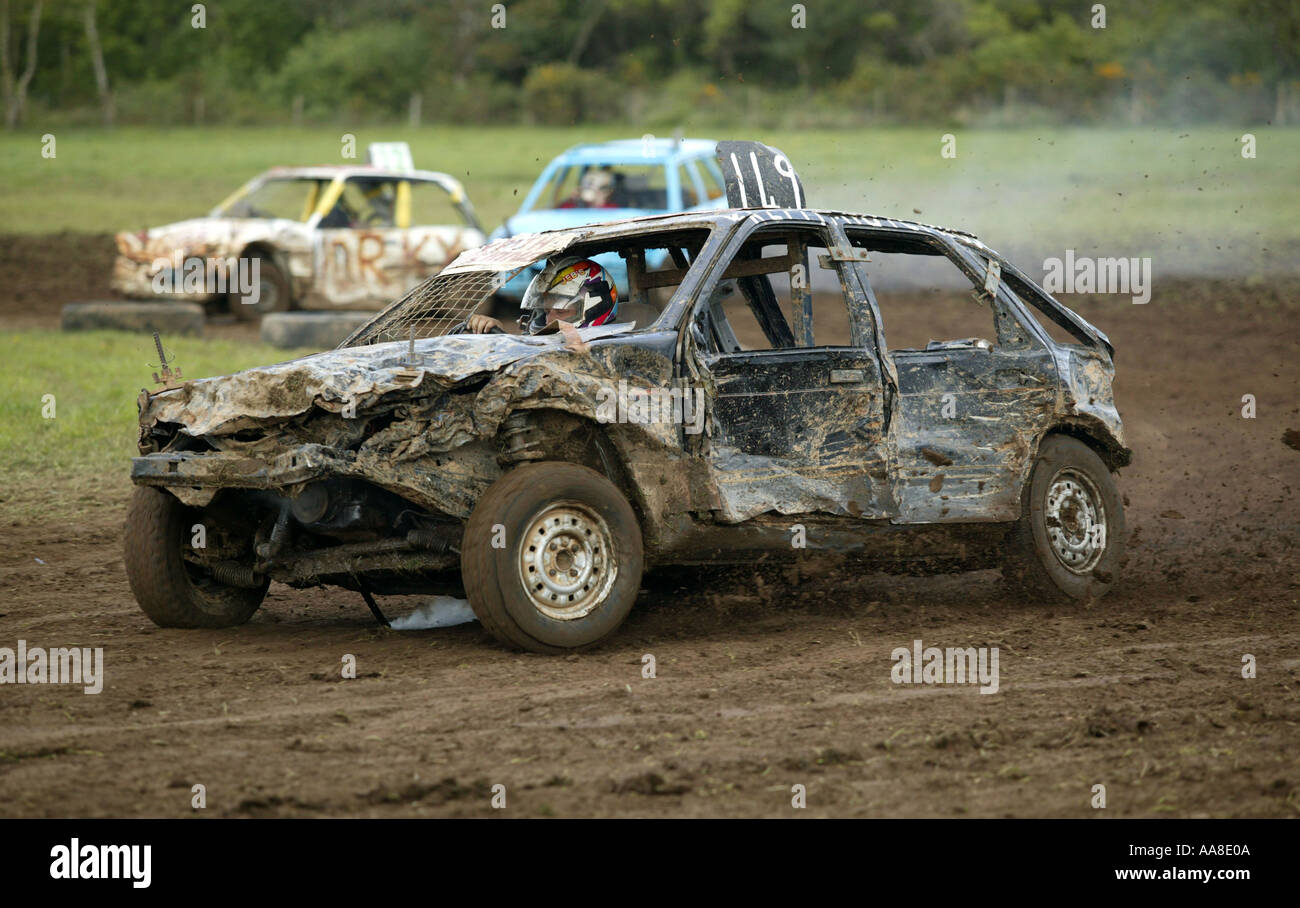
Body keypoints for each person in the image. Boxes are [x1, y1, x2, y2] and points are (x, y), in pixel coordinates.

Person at [465, 257, 619, 335]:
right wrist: (496, 334)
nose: (548, 320)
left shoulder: (616, 355)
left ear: (596, 307)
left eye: (560, 311)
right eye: (546, 312)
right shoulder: (543, 344)